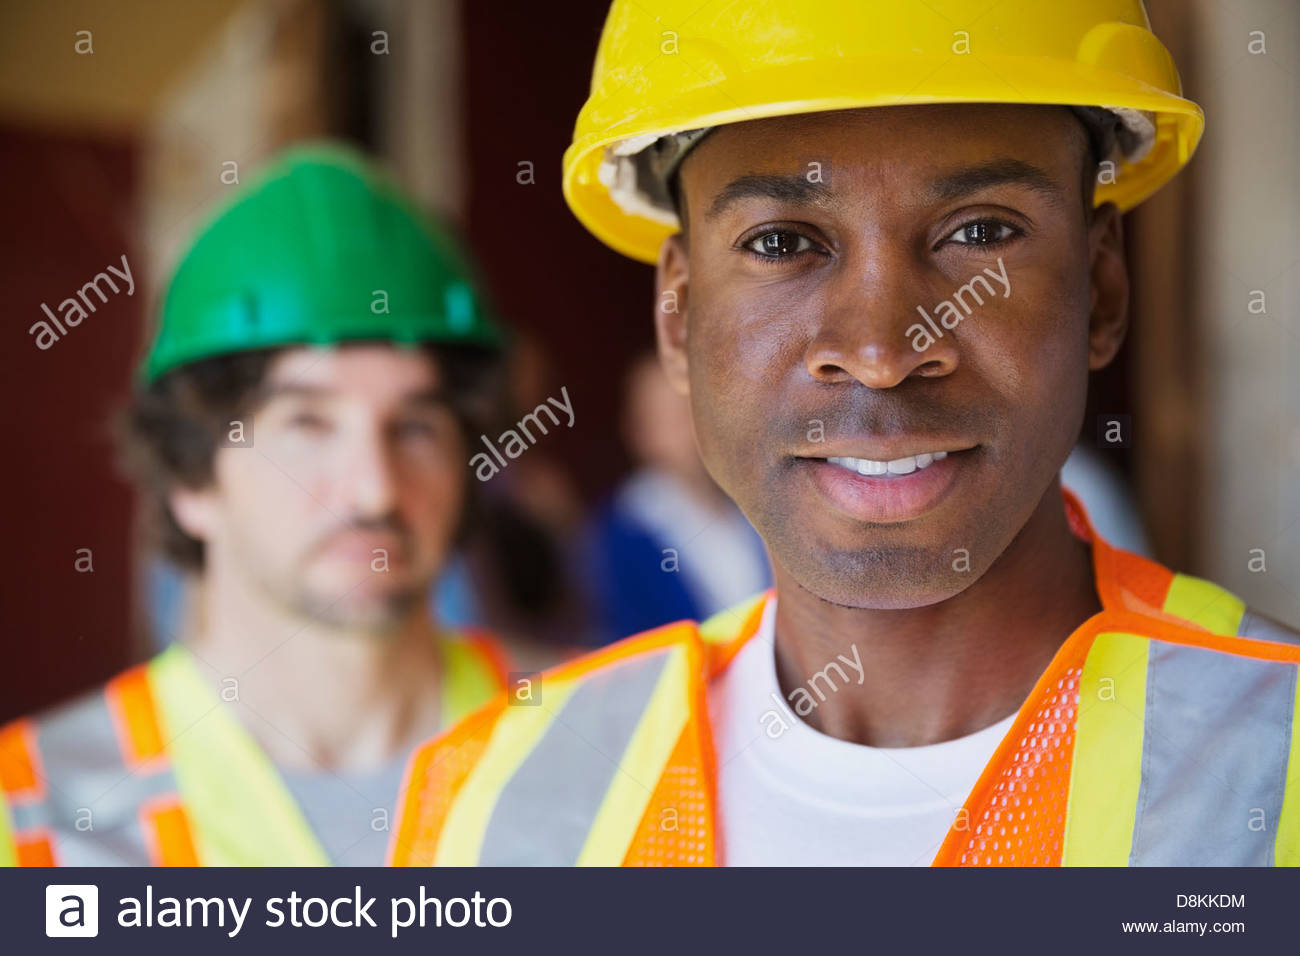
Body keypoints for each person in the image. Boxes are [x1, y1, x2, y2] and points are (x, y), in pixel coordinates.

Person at [389, 1, 1300, 867]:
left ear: (1100, 292)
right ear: (677, 317)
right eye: (784, 243)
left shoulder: (1276, 759)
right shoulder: (502, 809)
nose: (881, 351)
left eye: (979, 231)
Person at [0, 144, 511, 866]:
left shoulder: (611, 739)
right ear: (192, 479)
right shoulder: (31, 817)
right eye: (306, 425)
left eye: (416, 427)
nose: (374, 488)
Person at [581, 354, 769, 643]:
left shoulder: (749, 499)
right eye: (669, 417)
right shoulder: (626, 530)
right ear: (638, 433)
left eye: (692, 409)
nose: (687, 427)